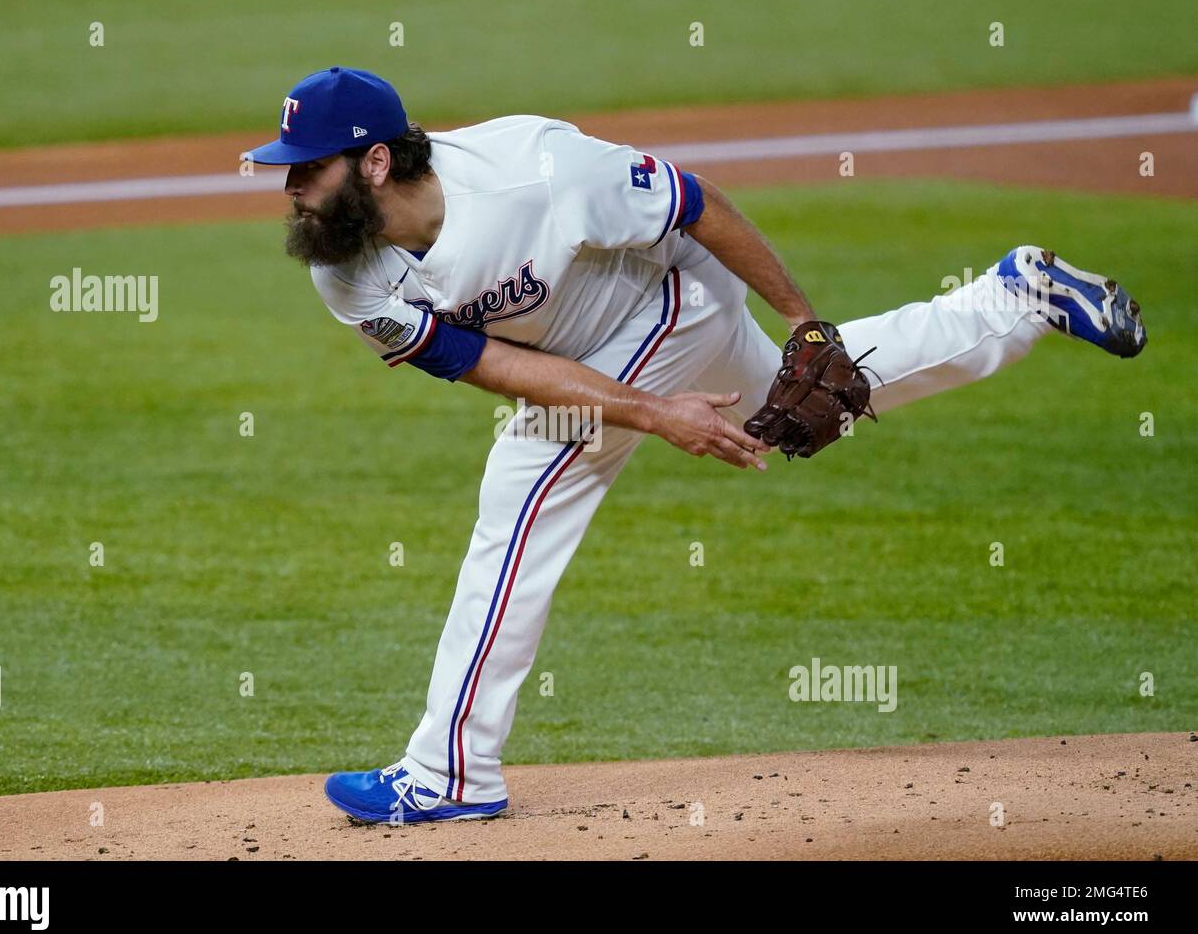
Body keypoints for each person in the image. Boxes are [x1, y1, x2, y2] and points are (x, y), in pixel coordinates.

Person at [243, 67, 1146, 824]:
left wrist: (803, 322)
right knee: (785, 411)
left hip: (672, 293)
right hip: (593, 352)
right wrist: (650, 411)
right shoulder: (342, 265)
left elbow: (695, 203)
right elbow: (484, 363)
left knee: (524, 483)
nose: (288, 189)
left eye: (305, 169)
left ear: (373, 160)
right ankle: (1015, 299)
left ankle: (450, 772)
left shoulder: (539, 171)